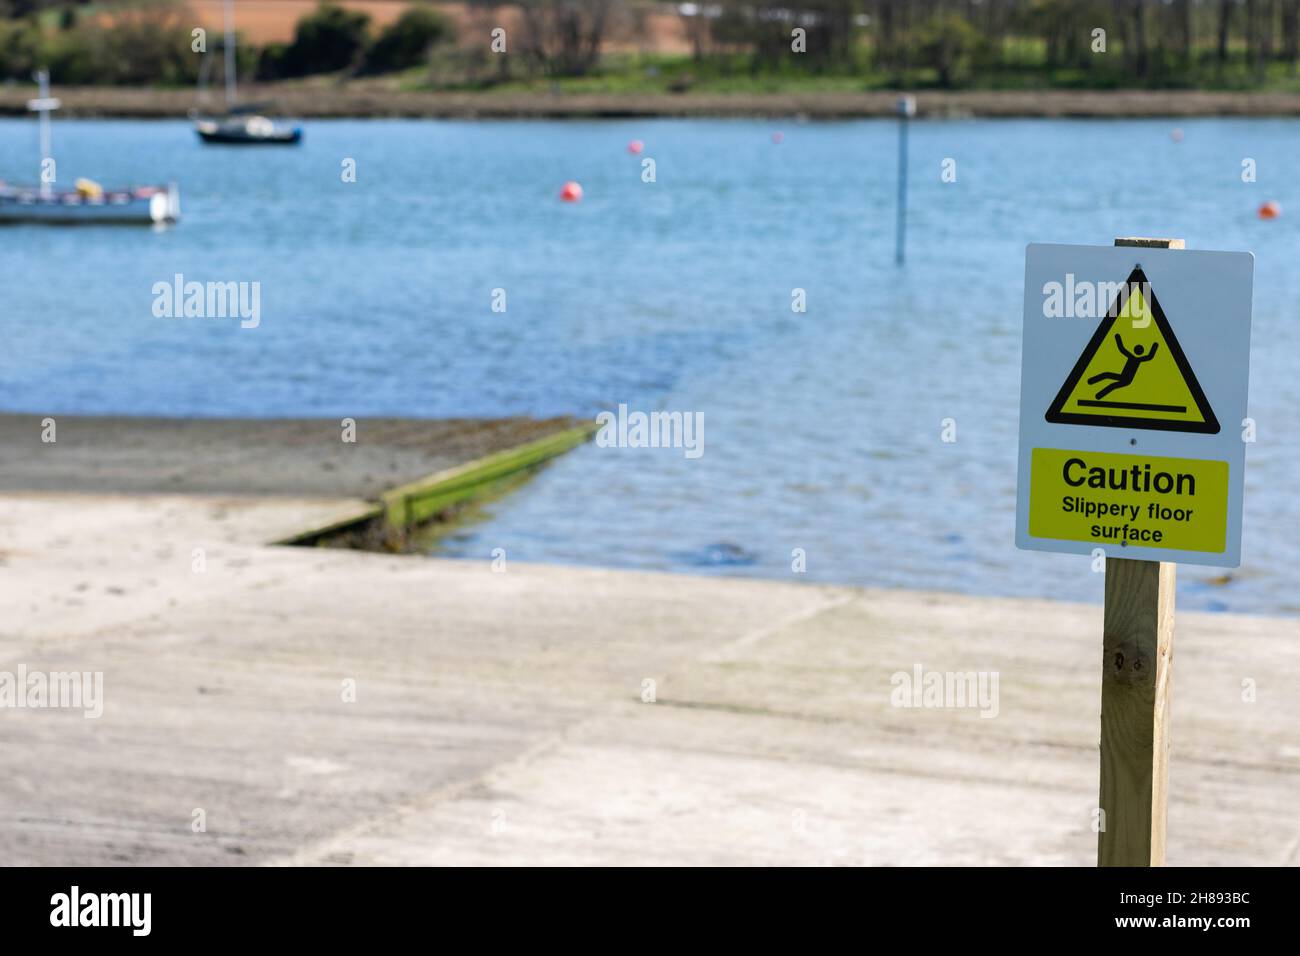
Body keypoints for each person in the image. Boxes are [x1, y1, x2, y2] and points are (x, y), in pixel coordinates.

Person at [1087, 335, 1158, 400]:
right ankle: (1090, 382)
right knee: (1107, 375)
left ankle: (1097, 396)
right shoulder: (1133, 358)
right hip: (1122, 377)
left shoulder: (1137, 360)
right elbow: (1122, 349)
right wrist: (1117, 337)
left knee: (1112, 384)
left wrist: (1155, 345)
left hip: (1126, 380)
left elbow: (1149, 356)